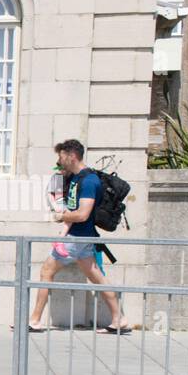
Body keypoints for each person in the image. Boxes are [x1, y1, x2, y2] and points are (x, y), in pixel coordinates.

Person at [28, 139, 128, 334]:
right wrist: (62, 231)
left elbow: (82, 214)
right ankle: (119, 318)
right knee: (98, 278)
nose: (60, 160)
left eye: (62, 156)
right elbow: (74, 211)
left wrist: (60, 216)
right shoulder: (75, 179)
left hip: (78, 237)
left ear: (72, 156)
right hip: (80, 238)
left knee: (46, 271)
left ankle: (35, 320)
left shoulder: (89, 181)